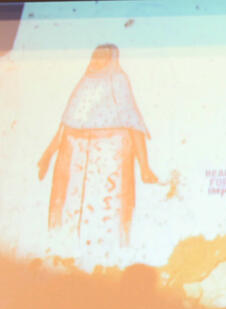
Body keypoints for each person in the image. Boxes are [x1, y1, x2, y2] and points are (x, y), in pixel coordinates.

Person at [38, 43, 159, 260]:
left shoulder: (118, 80)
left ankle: (105, 262)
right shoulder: (85, 82)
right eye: (95, 56)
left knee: (105, 217)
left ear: (111, 60)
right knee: (70, 216)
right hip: (76, 158)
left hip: (108, 158)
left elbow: (132, 123)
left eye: (102, 57)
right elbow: (66, 126)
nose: (96, 61)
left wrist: (144, 167)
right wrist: (47, 156)